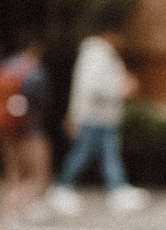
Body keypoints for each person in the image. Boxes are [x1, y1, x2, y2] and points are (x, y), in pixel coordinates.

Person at [49, 29, 149, 215]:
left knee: (106, 154)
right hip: (94, 116)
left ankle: (116, 189)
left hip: (102, 116)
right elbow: (93, 88)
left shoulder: (101, 54)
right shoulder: (97, 55)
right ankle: (63, 187)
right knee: (84, 153)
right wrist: (121, 88)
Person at [0, 37, 52, 230]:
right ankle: (9, 214)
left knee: (13, 175)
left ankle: (6, 214)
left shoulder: (3, 67)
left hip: (1, 127)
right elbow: (40, 102)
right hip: (28, 130)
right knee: (37, 177)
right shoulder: (34, 71)